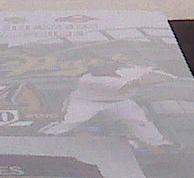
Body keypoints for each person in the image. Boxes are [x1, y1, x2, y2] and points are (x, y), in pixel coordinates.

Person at [39, 58, 174, 149]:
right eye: (97, 68)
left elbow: (144, 71)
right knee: (71, 121)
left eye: (105, 67)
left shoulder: (124, 72)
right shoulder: (89, 80)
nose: (100, 70)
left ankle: (157, 142)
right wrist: (163, 79)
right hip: (87, 103)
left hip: (120, 101)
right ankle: (46, 135)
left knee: (139, 120)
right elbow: (134, 84)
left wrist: (151, 69)